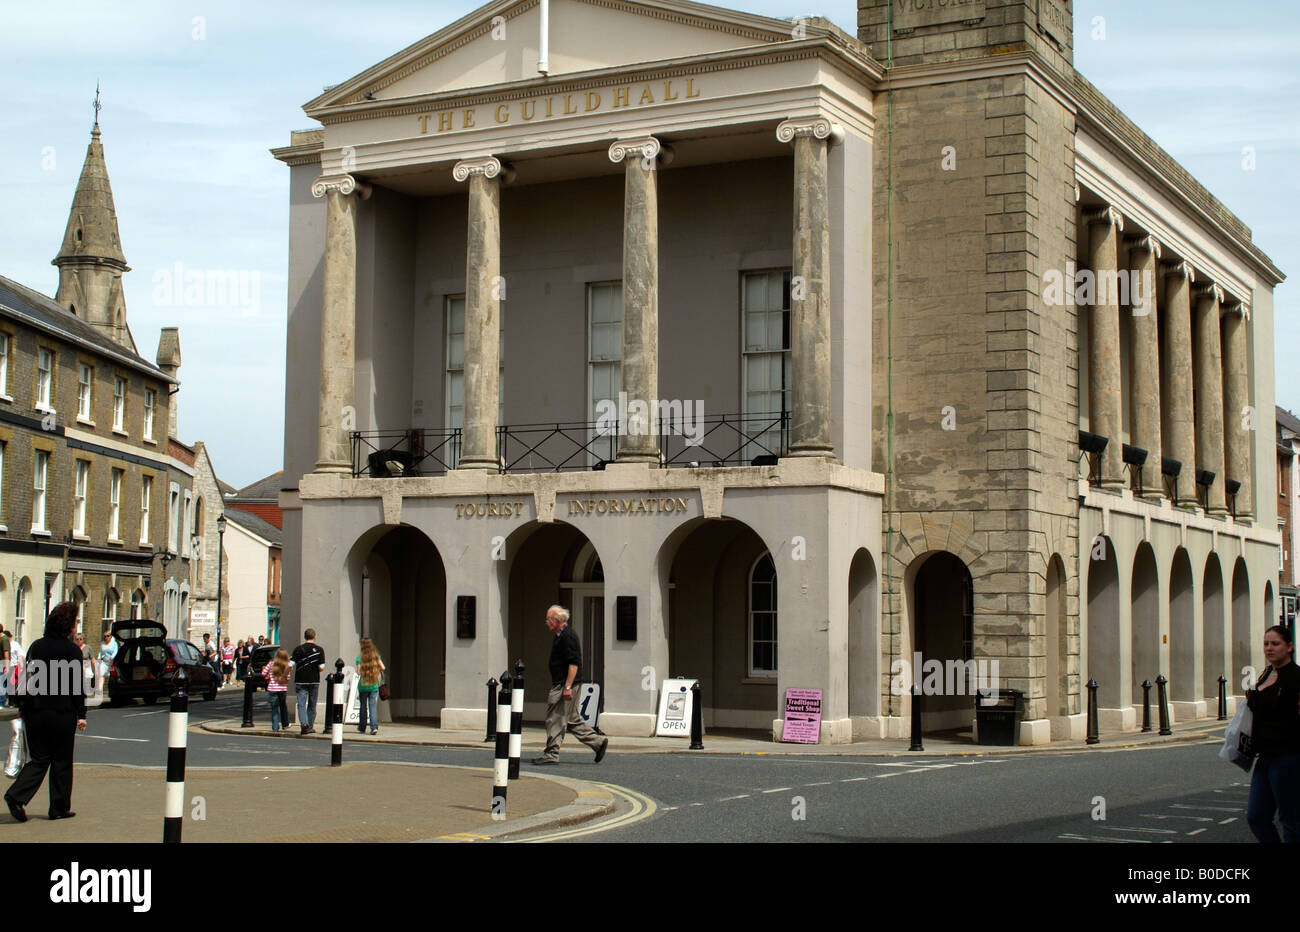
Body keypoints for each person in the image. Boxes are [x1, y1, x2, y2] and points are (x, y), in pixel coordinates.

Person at [4, 602, 88, 822]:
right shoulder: (72, 650)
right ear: (68, 625)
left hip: (36, 711)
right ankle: (58, 808)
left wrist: (23, 707)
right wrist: (81, 714)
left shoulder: (37, 646)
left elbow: (27, 679)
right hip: (62, 712)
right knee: (61, 760)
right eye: (75, 622)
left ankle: (16, 795)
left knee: (39, 758)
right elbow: (77, 686)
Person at [532, 605, 608, 765]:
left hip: (563, 685)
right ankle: (598, 742)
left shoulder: (568, 636)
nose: (546, 622)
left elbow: (573, 664)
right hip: (564, 683)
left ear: (557, 620)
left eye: (548, 619)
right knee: (572, 719)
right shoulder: (560, 635)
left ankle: (551, 754)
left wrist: (567, 687)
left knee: (555, 718)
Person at [1245, 624, 1300, 843]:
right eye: (1266, 644)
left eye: (1275, 644)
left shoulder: (1295, 679)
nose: (1269, 648)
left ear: (1289, 647)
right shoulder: (1265, 674)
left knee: (1291, 819)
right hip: (1264, 757)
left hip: (1288, 757)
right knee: (1256, 817)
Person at [291, 629, 327, 736]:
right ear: (314, 636)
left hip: (300, 680)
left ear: (304, 636)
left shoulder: (298, 649)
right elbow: (321, 667)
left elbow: (290, 664)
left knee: (301, 704)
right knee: (312, 704)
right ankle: (310, 727)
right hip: (314, 680)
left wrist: (285, 675)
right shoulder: (319, 650)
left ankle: (304, 724)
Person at [355, 638, 385, 735]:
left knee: (363, 707)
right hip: (374, 685)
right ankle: (374, 727)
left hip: (363, 685)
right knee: (372, 706)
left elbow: (358, 672)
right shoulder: (376, 656)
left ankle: (362, 727)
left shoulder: (360, 658)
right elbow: (383, 667)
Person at [261, 649, 293, 732]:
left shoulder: (271, 664)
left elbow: (263, 673)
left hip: (272, 689)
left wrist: (269, 675)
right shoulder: (286, 665)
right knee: (283, 706)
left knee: (274, 709)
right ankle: (285, 724)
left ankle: (275, 727)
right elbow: (288, 678)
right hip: (282, 689)